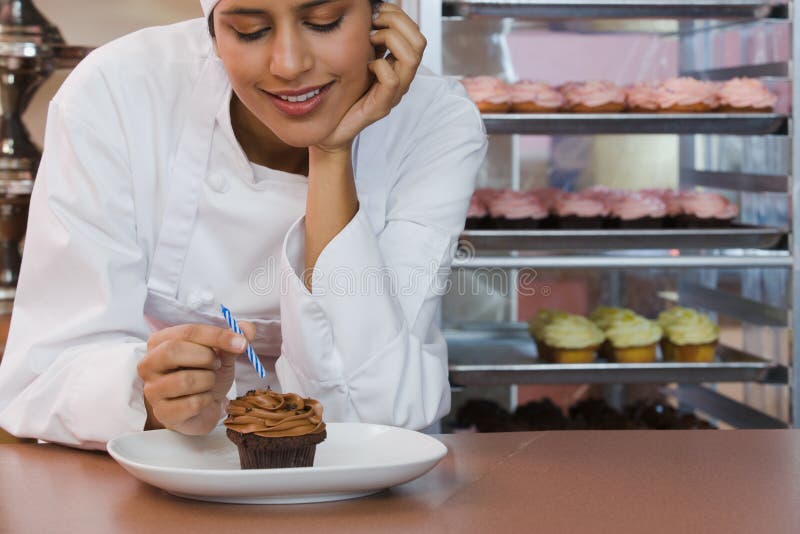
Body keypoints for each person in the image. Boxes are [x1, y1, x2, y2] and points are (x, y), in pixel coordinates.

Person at [0, 0, 486, 450]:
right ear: (213, 32)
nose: (289, 64)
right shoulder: (119, 91)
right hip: (159, 483)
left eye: (324, 22)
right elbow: (40, 378)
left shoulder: (433, 122)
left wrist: (331, 154)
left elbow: (378, 414)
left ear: (380, 18)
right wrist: (147, 395)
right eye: (249, 30)